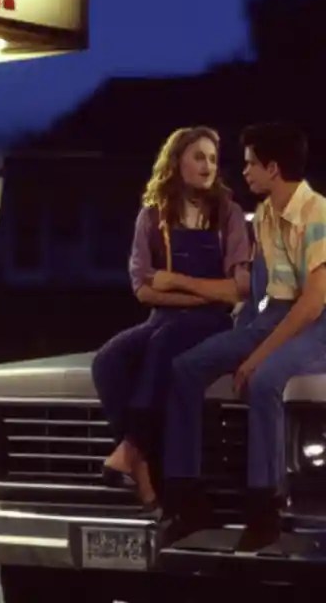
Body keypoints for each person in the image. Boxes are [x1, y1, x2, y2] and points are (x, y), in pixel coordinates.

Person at [152, 121, 326, 552]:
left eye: (250, 164)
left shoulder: (320, 213)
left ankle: (264, 507)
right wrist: (240, 339)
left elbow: (313, 302)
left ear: (273, 168)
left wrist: (257, 355)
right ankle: (187, 499)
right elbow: (261, 289)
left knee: (262, 382)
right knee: (186, 369)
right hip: (269, 317)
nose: (243, 172)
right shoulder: (262, 215)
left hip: (312, 324)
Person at [90, 126, 251, 512]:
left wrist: (176, 281)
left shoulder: (228, 214)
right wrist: (203, 288)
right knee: (108, 360)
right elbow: (143, 289)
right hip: (160, 319)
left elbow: (237, 290)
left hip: (211, 322)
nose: (207, 165)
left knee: (165, 342)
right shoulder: (152, 215)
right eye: (199, 156)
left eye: (213, 158)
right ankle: (140, 468)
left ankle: (131, 454)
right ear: (177, 161)